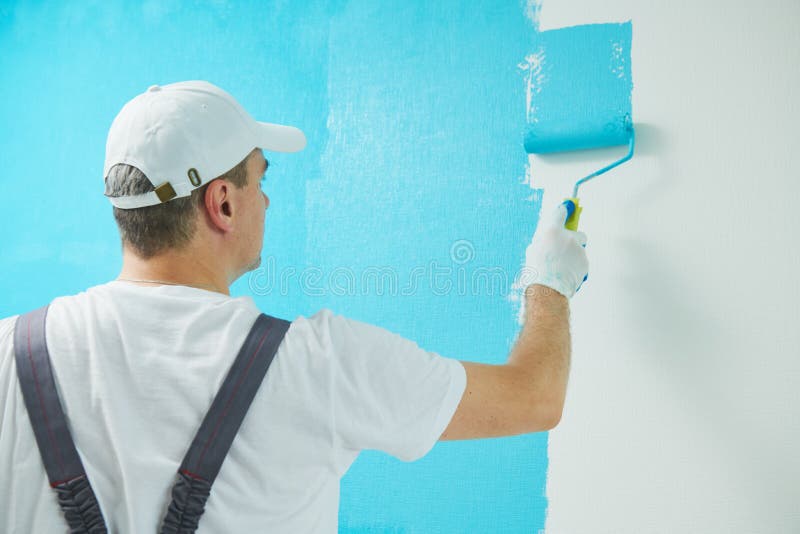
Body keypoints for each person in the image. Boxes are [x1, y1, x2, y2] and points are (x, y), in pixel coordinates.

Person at [0, 81, 589, 533]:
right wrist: (548, 283)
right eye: (260, 178)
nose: (268, 199)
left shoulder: (8, 355)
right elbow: (534, 397)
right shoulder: (321, 365)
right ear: (222, 203)